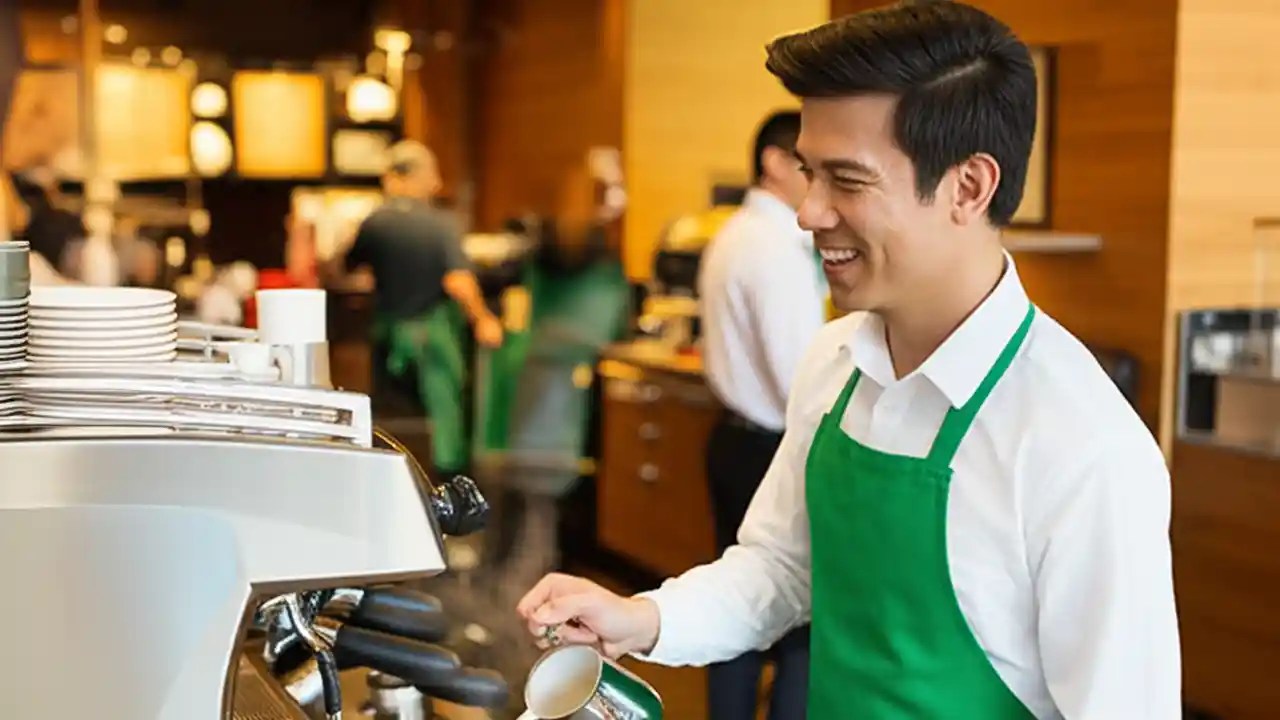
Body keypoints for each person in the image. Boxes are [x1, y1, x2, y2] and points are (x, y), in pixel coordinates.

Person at [517, 3, 1180, 719]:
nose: (808, 212)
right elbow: (780, 568)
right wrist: (644, 617)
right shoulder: (836, 359)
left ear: (969, 187)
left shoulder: (1083, 444)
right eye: (808, 173)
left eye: (847, 180)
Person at [694, 110, 822, 720]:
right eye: (811, 164)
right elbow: (800, 374)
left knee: (739, 611)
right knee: (799, 623)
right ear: (775, 162)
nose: (819, 184)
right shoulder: (773, 247)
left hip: (735, 437)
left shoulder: (737, 231)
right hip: (771, 444)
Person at [339, 140, 503, 476]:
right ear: (414, 177)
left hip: (388, 338)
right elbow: (458, 280)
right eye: (432, 176)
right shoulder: (441, 225)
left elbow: (346, 268)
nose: (437, 185)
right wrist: (483, 318)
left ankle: (395, 481)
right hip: (432, 339)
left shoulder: (375, 223)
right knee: (443, 421)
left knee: (394, 421)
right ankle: (444, 491)